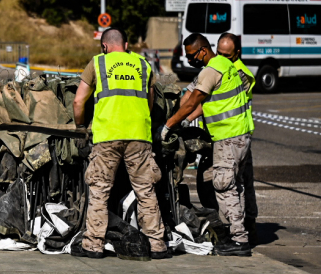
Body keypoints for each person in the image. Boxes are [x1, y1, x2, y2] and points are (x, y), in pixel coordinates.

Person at [72, 28, 170, 260]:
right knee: (146, 191)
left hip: (107, 135)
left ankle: (93, 245)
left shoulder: (97, 63)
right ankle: (157, 244)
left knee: (99, 190)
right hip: (139, 135)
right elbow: (150, 101)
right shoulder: (144, 65)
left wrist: (79, 129)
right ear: (126, 45)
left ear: (105, 46)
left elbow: (78, 101)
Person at [163, 33, 253, 256]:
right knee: (235, 185)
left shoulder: (212, 70)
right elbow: (194, 98)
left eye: (192, 55)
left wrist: (169, 126)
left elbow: (193, 101)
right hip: (240, 137)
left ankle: (239, 241)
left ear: (203, 50)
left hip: (228, 137)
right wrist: (182, 117)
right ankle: (239, 232)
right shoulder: (224, 65)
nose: (190, 59)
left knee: (224, 186)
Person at [211, 32, 258, 244]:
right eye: (218, 53)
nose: (221, 58)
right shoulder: (228, 67)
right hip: (240, 134)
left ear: (236, 53)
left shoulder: (239, 73)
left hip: (234, 134)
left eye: (226, 55)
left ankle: (242, 231)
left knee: (231, 183)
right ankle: (247, 222)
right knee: (241, 182)